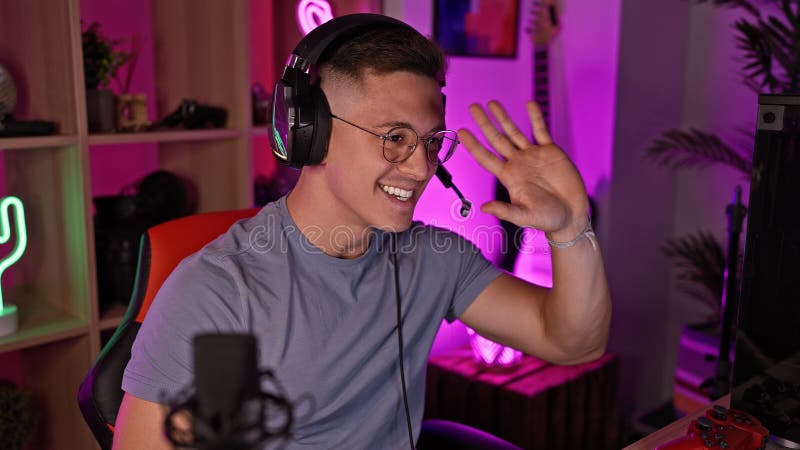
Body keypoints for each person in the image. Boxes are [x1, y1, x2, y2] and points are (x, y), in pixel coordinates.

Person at [112, 14, 611, 450]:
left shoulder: (432, 258)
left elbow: (572, 342)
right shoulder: (224, 294)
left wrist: (572, 230)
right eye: (394, 138)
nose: (420, 168)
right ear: (311, 133)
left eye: (431, 141)